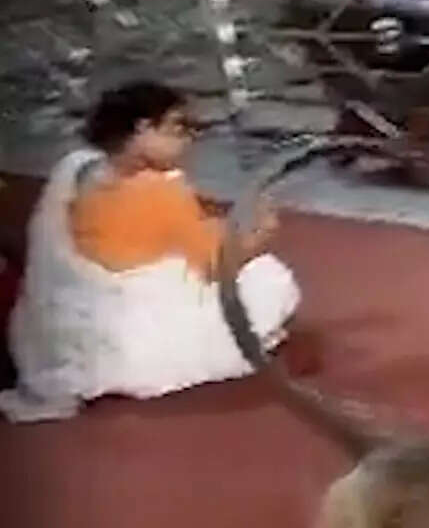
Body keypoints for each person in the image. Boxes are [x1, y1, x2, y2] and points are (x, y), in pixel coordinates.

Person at [0, 81, 302, 424]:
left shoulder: (75, 166)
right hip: (142, 310)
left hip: (76, 314)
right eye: (178, 127)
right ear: (142, 128)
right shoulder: (162, 191)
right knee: (270, 278)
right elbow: (219, 267)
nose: (189, 140)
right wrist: (260, 237)